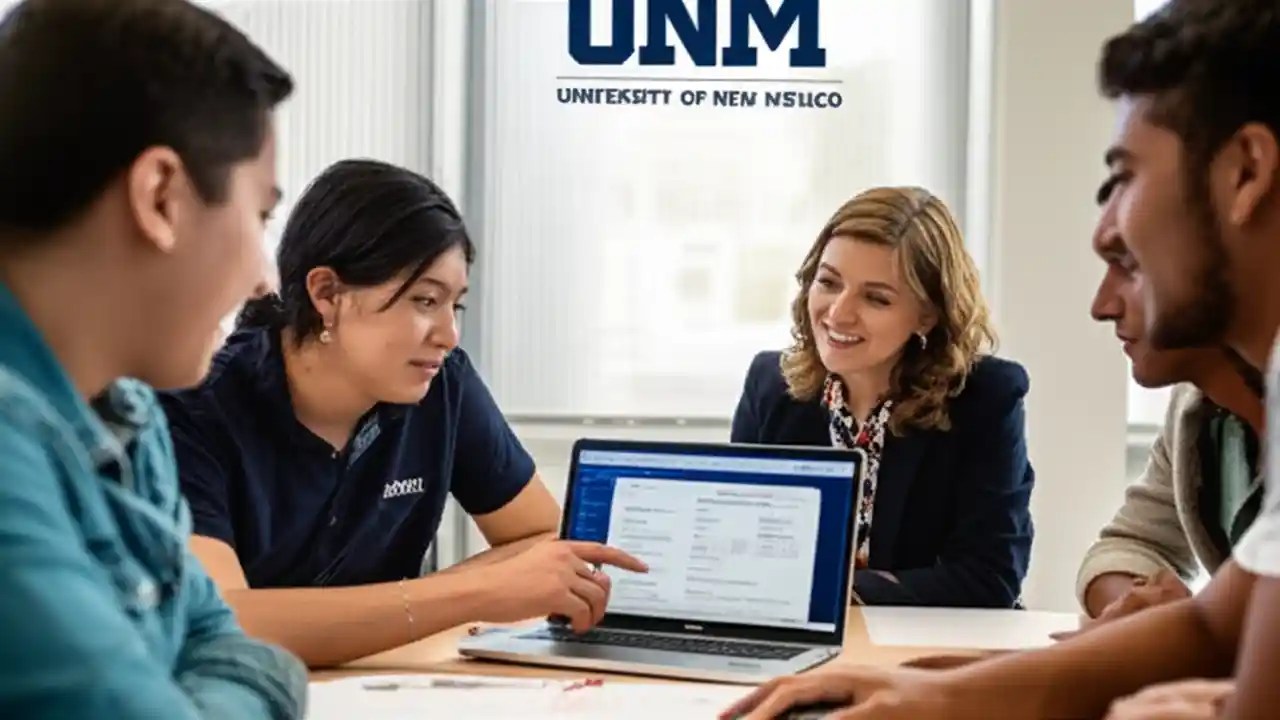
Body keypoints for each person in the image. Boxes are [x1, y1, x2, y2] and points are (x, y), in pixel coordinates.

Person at [720, 1, 1280, 718]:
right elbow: (1211, 624)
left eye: (1125, 177)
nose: (1107, 229)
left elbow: (989, 575)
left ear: (1246, 172)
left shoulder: (984, 393)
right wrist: (939, 691)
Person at [159, 158, 648, 669]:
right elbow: (223, 623)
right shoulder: (194, 405)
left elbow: (543, 542)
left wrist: (449, 597)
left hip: (381, 685)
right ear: (326, 293)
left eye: (454, 305)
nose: (448, 335)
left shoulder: (442, 383)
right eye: (424, 300)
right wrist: (473, 593)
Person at [0, 0, 305, 717]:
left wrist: (251, 672)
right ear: (161, 196)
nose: (265, 278)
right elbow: (247, 665)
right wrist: (259, 682)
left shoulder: (128, 415)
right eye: (259, 218)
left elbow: (219, 636)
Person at [731, 186, 1034, 608]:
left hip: (931, 653)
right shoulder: (772, 384)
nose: (838, 313)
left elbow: (989, 579)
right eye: (829, 282)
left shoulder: (984, 398)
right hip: (799, 634)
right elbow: (734, 546)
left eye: (876, 298)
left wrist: (838, 589)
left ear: (926, 314)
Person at [1076, 174, 1264, 627]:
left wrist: (1182, 634)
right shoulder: (1195, 407)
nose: (1102, 306)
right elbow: (1129, 545)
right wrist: (1139, 609)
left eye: (1130, 267)